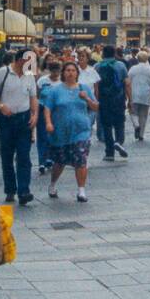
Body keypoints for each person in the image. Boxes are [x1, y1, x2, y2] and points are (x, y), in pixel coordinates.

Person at [0, 51, 38, 206]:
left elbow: (33, 97)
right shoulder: (4, 72)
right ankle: (10, 189)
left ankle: (24, 191)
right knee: (7, 156)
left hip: (24, 119)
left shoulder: (29, 75)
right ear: (20, 60)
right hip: (6, 119)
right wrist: (0, 106)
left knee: (24, 156)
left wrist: (35, 115)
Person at [43, 60, 98, 203]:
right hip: (61, 132)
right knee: (59, 162)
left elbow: (96, 107)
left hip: (81, 130)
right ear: (63, 73)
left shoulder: (84, 88)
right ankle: (53, 184)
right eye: (67, 70)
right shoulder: (55, 90)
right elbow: (47, 108)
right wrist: (48, 123)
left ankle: (81, 191)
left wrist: (87, 98)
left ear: (77, 74)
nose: (70, 73)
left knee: (81, 159)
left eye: (73, 71)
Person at [95, 45, 129, 161]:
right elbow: (127, 83)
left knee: (106, 126)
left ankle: (109, 153)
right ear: (114, 53)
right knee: (119, 123)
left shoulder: (97, 66)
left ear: (103, 54)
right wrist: (130, 99)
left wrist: (95, 100)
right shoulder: (121, 65)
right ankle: (119, 141)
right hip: (118, 99)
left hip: (103, 100)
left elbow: (95, 85)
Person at [35, 58, 62, 172]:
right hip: (42, 109)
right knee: (42, 135)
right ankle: (42, 161)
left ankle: (50, 158)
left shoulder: (62, 82)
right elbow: (37, 95)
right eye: (53, 71)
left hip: (57, 111)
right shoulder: (42, 81)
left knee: (54, 135)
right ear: (50, 70)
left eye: (57, 71)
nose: (55, 74)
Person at [126, 51, 150, 142]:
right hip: (146, 94)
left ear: (138, 58)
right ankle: (141, 135)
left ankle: (136, 125)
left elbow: (128, 81)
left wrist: (127, 95)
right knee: (143, 115)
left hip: (134, 93)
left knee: (132, 112)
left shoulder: (133, 69)